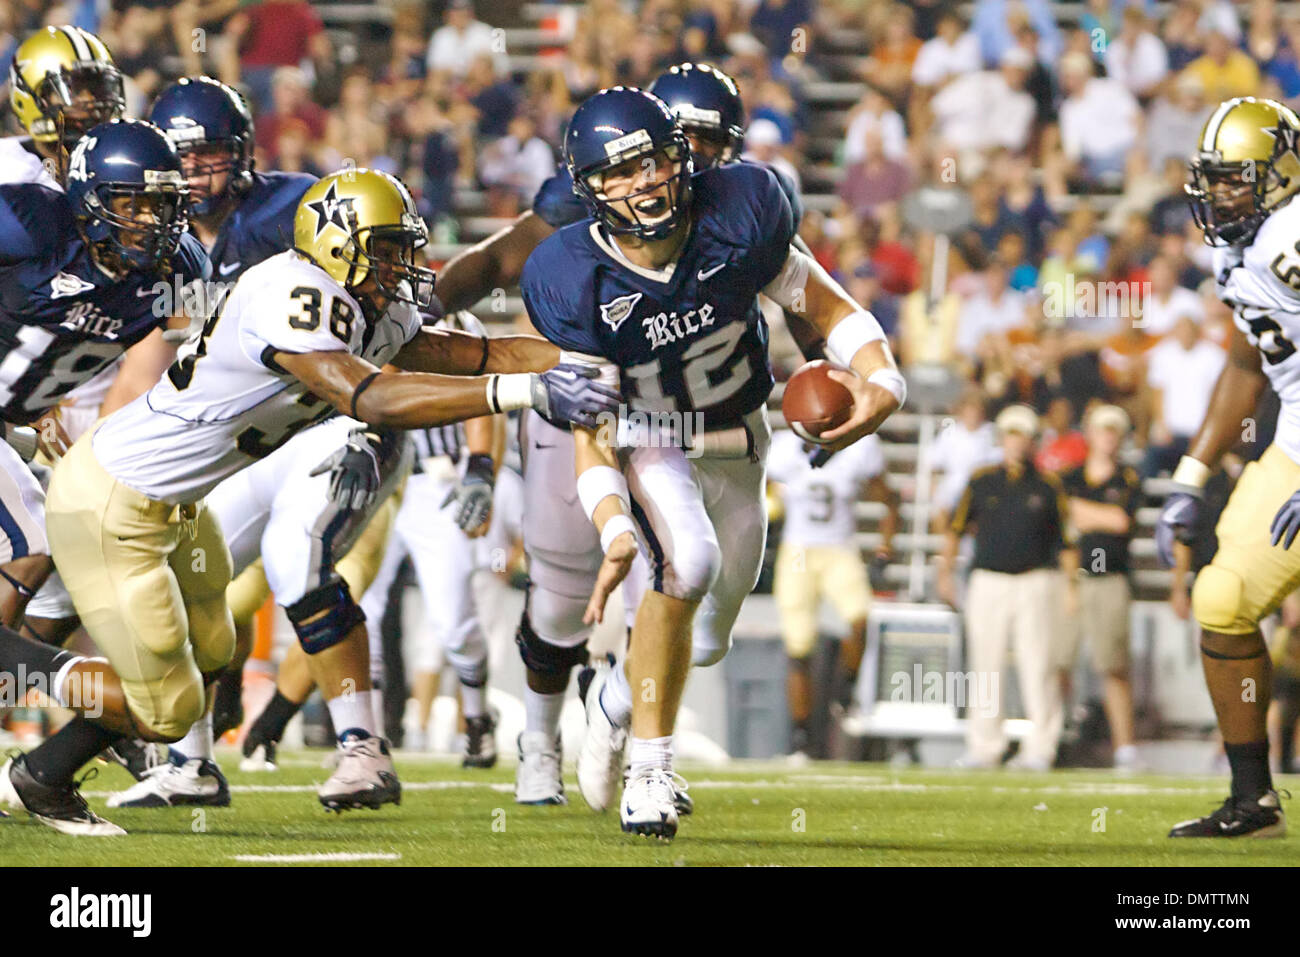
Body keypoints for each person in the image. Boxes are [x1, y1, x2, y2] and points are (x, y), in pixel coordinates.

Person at [0, 166, 619, 836]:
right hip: (111, 501)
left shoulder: (364, 301)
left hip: (177, 506)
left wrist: (581, 363)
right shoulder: (290, 291)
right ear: (336, 245)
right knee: (168, 710)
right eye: (386, 248)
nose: (404, 264)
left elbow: (473, 351)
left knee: (213, 649)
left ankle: (76, 750)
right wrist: (522, 392)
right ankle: (34, 726)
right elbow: (372, 396)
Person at [524, 87, 903, 840]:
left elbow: (823, 305)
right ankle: (651, 770)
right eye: (617, 173)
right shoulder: (572, 274)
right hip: (647, 430)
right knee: (686, 563)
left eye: (654, 162)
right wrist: (612, 527)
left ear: (681, 159)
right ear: (588, 188)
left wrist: (884, 378)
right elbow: (590, 425)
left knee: (710, 634)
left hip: (741, 431)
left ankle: (614, 701)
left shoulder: (740, 212)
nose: (642, 184)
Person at [1156, 96, 1300, 837]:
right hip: (1292, 446)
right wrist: (1190, 476)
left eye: (1235, 180)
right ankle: (1254, 801)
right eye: (1212, 180)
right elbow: (1248, 361)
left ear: (1281, 176)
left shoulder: (1294, 236)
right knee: (1222, 597)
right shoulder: (1236, 249)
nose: (1219, 196)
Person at [938, 404, 1074, 771]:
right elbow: (955, 528)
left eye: (1023, 435)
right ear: (1001, 439)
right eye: (1011, 434)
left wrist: (1071, 588)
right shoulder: (981, 480)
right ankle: (985, 746)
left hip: (1036, 580)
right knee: (986, 663)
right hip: (989, 579)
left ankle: (1041, 748)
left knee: (1038, 665)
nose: (1016, 443)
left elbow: (1066, 542)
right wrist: (945, 573)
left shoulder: (1048, 486)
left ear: (1032, 441)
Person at [767, 428, 898, 759]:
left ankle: (845, 691)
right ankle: (801, 736)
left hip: (840, 548)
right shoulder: (783, 448)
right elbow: (760, 494)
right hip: (798, 551)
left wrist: (885, 548)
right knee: (798, 647)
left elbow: (889, 498)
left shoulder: (860, 446)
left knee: (860, 619)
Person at [1057, 404, 1143, 771]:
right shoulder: (1070, 477)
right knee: (1058, 662)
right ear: (1089, 433)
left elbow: (1121, 521)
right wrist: (1094, 516)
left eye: (1114, 429)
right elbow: (1062, 524)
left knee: (1113, 665)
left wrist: (1081, 512)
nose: (1108, 436)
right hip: (1071, 577)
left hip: (1109, 577)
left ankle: (1125, 747)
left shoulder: (1127, 478)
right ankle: (1054, 737)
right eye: (1102, 429)